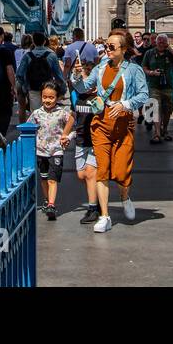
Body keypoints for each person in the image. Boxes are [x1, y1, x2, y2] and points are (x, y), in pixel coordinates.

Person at [73, 28, 149, 233]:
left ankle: (125, 196)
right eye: (106, 45)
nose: (107, 49)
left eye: (111, 47)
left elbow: (144, 95)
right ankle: (105, 216)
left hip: (123, 124)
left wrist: (125, 104)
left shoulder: (134, 70)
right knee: (102, 170)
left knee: (122, 171)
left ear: (124, 49)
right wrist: (77, 74)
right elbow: (82, 88)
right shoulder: (100, 67)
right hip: (100, 124)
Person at [28, 82, 73, 221]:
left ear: (57, 98)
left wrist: (66, 135)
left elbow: (72, 120)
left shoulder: (61, 113)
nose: (47, 100)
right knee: (44, 178)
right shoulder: (36, 114)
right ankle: (47, 200)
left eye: (51, 97)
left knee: (52, 179)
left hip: (56, 151)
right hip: (41, 151)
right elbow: (28, 127)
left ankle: (52, 205)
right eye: (45, 97)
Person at [68, 48, 101, 224]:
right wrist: (67, 134)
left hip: (95, 140)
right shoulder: (78, 97)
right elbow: (74, 116)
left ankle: (93, 207)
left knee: (90, 173)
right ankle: (96, 196)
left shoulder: (98, 99)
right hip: (80, 138)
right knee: (81, 175)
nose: (88, 87)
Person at [141, 34, 173, 143]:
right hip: (154, 86)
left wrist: (170, 49)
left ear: (167, 43)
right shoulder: (149, 53)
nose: (161, 44)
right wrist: (151, 72)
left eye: (164, 42)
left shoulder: (169, 53)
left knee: (167, 110)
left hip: (168, 86)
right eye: (159, 42)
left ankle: (165, 130)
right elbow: (144, 67)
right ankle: (157, 134)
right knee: (155, 108)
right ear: (156, 43)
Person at [22, 31, 65, 111]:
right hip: (48, 87)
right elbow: (58, 74)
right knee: (48, 112)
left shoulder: (27, 56)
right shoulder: (51, 55)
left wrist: (25, 87)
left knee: (35, 114)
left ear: (33, 42)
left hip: (33, 88)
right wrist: (63, 89)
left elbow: (20, 74)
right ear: (45, 41)